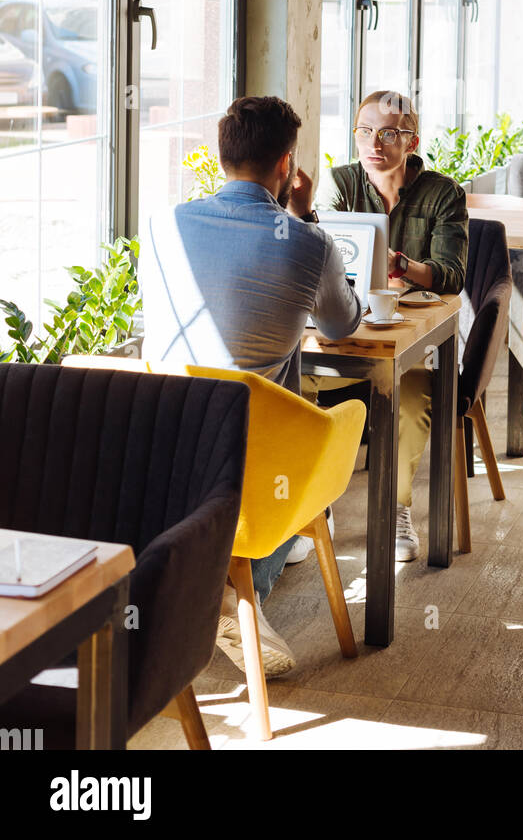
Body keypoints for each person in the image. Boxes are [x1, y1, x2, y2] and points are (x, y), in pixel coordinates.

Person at [139, 95, 361, 677]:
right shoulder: (309, 244)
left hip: (160, 436)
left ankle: (241, 570)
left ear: (221, 158)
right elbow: (341, 325)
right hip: (251, 458)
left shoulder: (163, 226)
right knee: (291, 411)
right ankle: (240, 593)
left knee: (260, 392)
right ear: (286, 165)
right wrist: (307, 218)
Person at [311, 89, 468, 560]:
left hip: (413, 339)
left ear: (412, 140)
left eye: (388, 133)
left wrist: (405, 267)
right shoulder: (340, 184)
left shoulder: (443, 193)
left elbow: (453, 276)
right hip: (348, 329)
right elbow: (324, 252)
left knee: (417, 395)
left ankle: (397, 507)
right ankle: (315, 505)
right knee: (295, 383)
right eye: (364, 131)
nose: (374, 142)